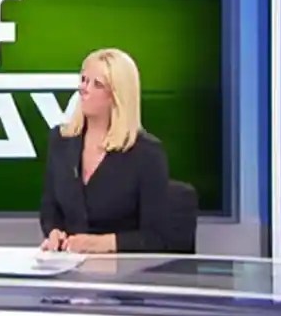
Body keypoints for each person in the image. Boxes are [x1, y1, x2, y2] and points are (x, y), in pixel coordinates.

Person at [38, 48, 190, 254]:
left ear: (117, 96)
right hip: (68, 266)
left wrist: (100, 244)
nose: (84, 88)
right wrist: (55, 232)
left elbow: (157, 237)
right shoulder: (61, 141)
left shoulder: (146, 154)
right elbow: (50, 209)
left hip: (126, 269)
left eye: (97, 84)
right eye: (84, 80)